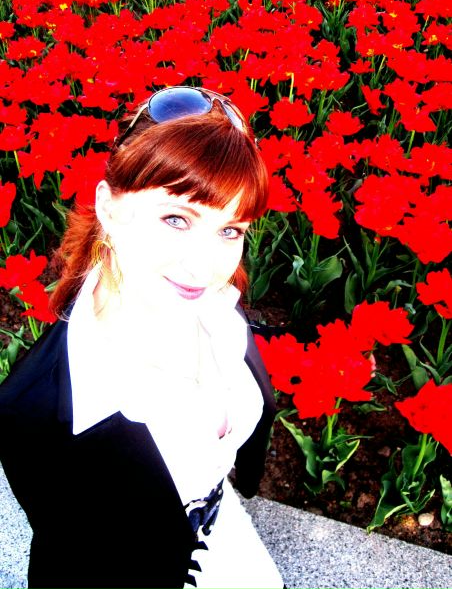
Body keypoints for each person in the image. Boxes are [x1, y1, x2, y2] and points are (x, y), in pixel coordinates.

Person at [0, 86, 284, 589]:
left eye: (230, 230)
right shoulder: (38, 411)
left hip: (225, 538)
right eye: (176, 219)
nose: (206, 266)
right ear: (108, 208)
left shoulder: (217, 310)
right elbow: (72, 555)